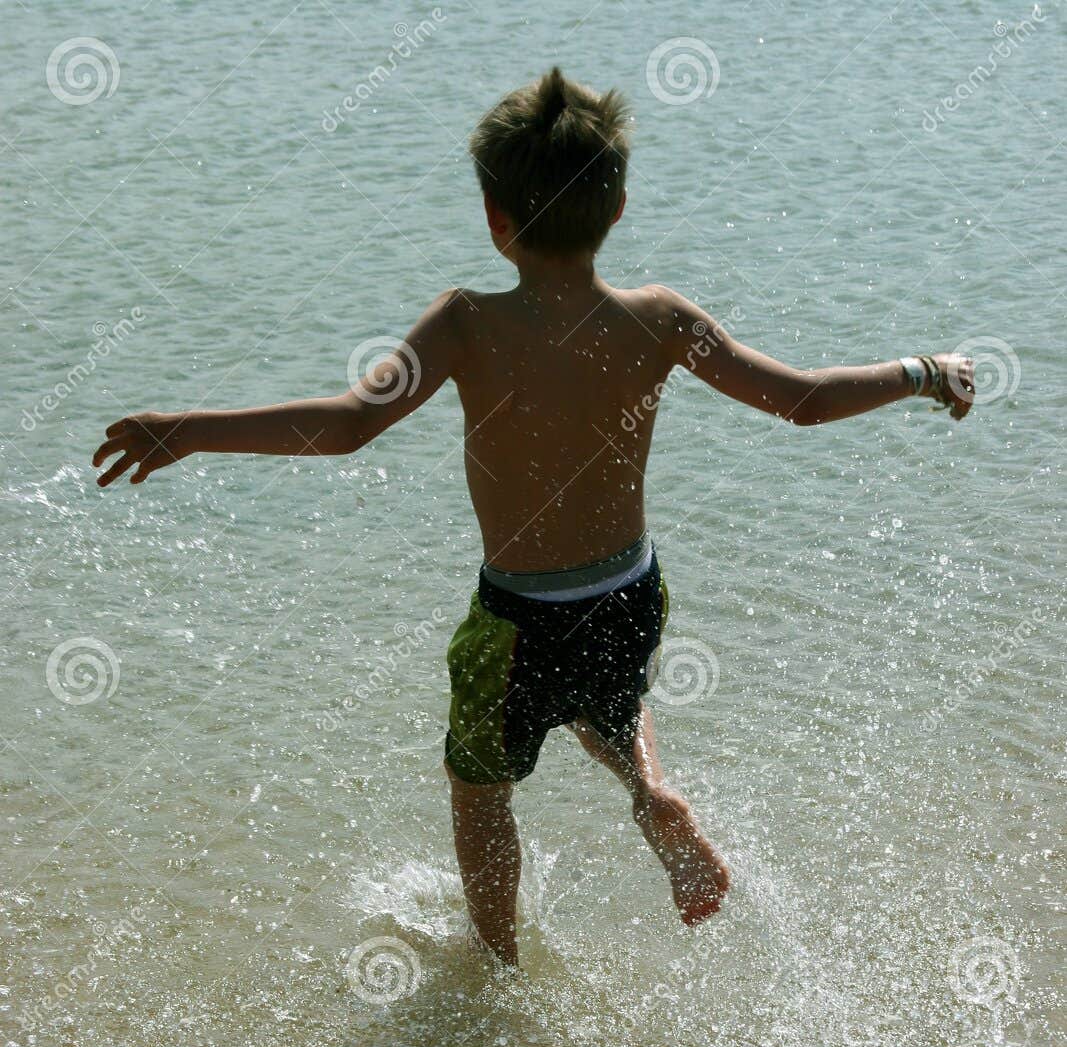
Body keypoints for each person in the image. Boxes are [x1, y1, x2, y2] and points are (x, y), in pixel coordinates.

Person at [93, 66, 974, 966]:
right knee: (612, 699)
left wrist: (188, 430)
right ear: (619, 206)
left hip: (514, 618)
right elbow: (801, 399)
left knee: (479, 791)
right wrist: (920, 370)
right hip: (630, 588)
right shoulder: (662, 319)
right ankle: (651, 795)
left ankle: (496, 962)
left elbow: (350, 423)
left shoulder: (464, 322)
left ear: (495, 221)